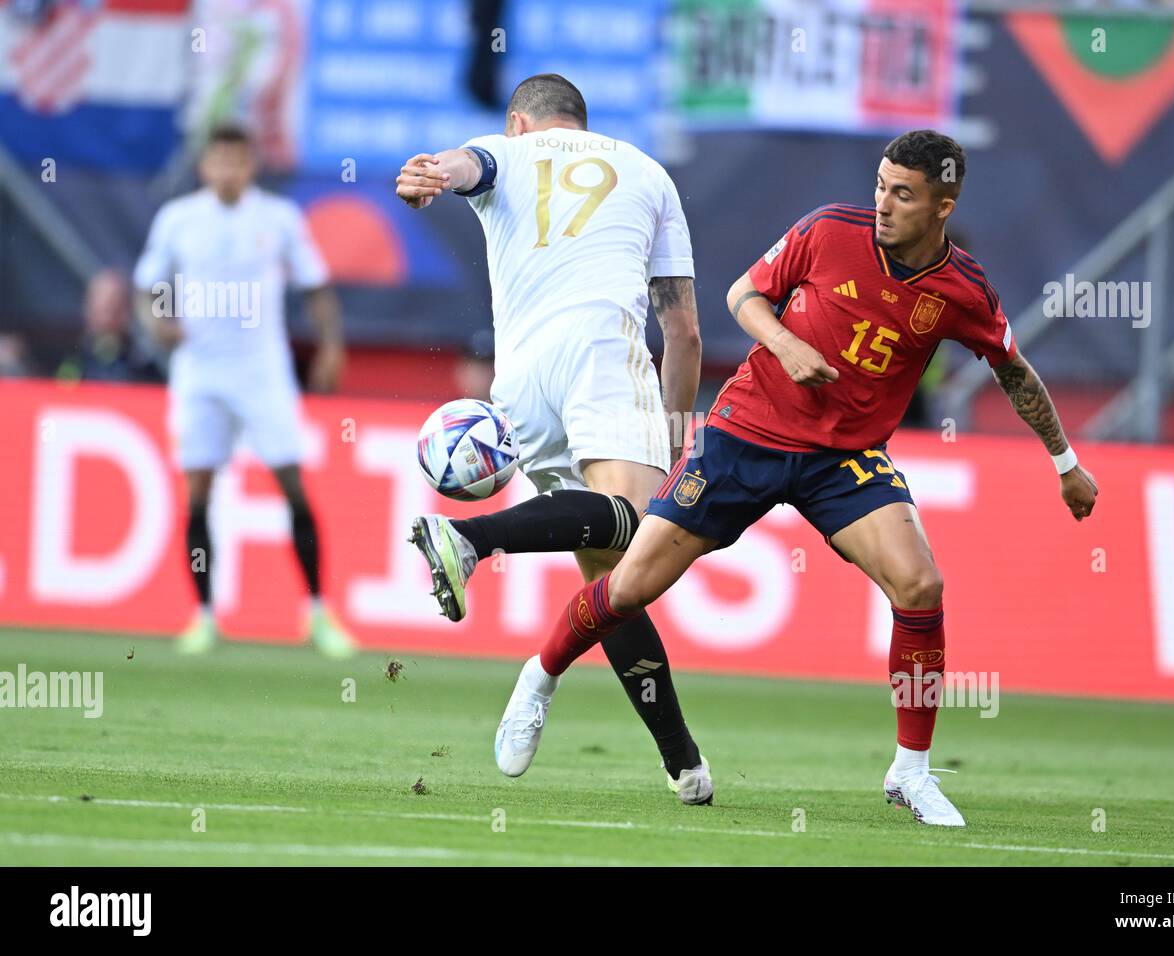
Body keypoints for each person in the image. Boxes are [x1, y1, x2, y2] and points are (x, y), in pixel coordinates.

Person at [493, 130, 1100, 826]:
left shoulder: (963, 290)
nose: (883, 203)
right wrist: (785, 342)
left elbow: (1013, 370)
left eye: (903, 194)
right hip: (744, 435)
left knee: (920, 583)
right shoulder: (829, 231)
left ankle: (911, 772)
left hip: (842, 459)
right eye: (880, 185)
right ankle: (539, 679)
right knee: (628, 587)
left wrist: (1066, 464)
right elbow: (743, 295)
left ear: (942, 207)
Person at [395, 73, 712, 803]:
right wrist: (670, 433)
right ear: (579, 121)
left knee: (610, 580)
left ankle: (683, 763)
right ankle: (470, 540)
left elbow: (464, 167)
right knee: (631, 525)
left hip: (522, 380)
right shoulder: (646, 171)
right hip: (603, 352)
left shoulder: (497, 151)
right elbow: (684, 330)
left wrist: (430, 175)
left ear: (519, 122)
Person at [133, 124, 355, 658]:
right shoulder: (179, 218)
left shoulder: (278, 218)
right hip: (200, 374)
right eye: (219, 161)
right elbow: (151, 286)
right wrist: (161, 321)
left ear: (250, 165)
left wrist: (330, 345)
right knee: (199, 492)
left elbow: (315, 286)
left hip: (263, 372)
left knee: (292, 484)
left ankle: (318, 612)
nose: (228, 170)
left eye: (238, 160)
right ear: (205, 166)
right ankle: (205, 617)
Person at [57, 269, 165, 384]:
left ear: (126, 311)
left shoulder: (141, 366)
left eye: (113, 306)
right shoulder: (71, 361)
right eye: (101, 305)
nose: (106, 315)